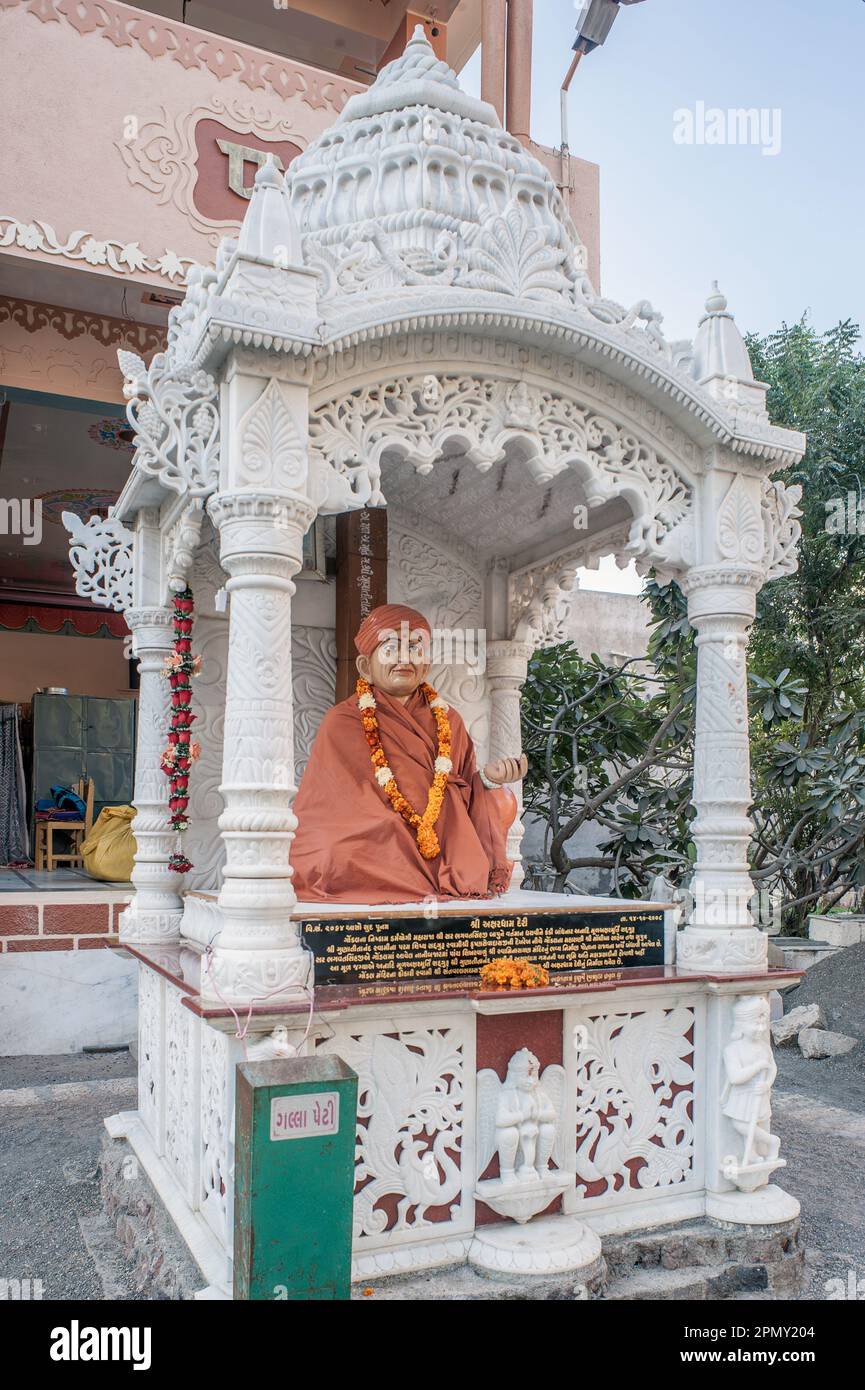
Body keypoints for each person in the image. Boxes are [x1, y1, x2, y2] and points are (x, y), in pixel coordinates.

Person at [290, 603, 526, 903]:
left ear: (426, 663)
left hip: (441, 838)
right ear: (366, 667)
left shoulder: (448, 720)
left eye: (415, 648)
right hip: (371, 836)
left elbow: (465, 794)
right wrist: (388, 819)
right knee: (331, 852)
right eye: (391, 649)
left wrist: (489, 781)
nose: (404, 658)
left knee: (475, 833)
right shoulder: (343, 720)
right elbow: (328, 805)